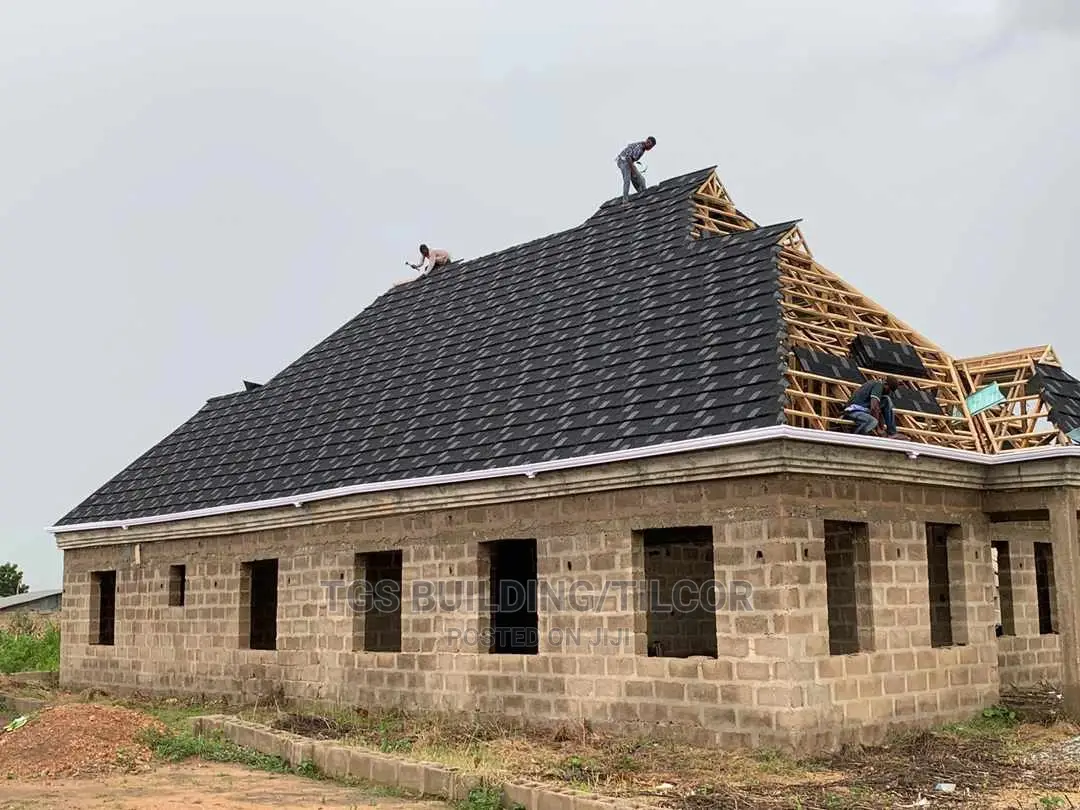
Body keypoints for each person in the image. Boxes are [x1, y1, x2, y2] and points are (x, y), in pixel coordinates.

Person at [615, 137, 656, 203]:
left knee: (641, 179)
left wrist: (633, 172)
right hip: (623, 161)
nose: (648, 145)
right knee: (627, 179)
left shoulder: (643, 148)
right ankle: (625, 200)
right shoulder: (639, 148)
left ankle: (642, 194)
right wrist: (633, 171)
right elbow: (629, 158)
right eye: (648, 143)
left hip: (628, 161)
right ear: (646, 141)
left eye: (650, 146)